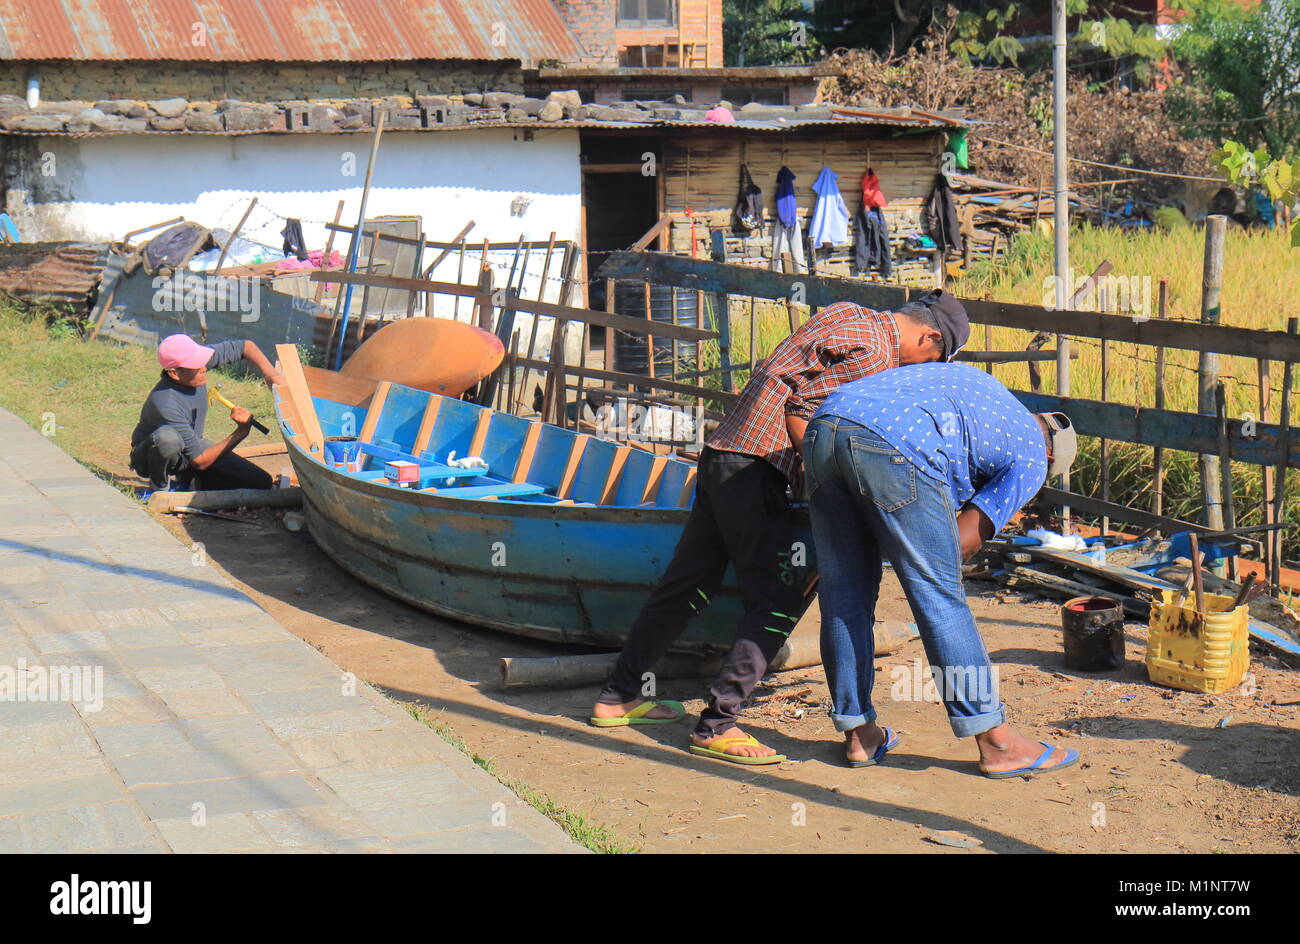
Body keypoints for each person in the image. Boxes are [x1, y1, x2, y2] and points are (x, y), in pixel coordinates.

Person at [589, 291, 971, 766]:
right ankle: (718, 724)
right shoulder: (875, 354)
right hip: (759, 468)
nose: (917, 369)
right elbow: (806, 409)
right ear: (928, 336)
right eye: (930, 357)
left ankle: (618, 696)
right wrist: (825, 483)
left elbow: (784, 376)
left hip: (724, 452)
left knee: (687, 584)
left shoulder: (850, 314)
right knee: (777, 601)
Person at [803, 361, 1080, 777]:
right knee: (940, 597)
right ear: (1050, 456)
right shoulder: (1031, 455)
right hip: (894, 445)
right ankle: (996, 741)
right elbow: (961, 541)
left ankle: (860, 734)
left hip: (823, 427)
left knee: (845, 593)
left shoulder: (988, 397)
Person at [129, 334, 283, 492]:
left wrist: (270, 373)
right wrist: (241, 432)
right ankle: (159, 489)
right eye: (197, 365)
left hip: (190, 447)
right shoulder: (165, 402)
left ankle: (190, 482)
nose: (204, 368)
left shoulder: (193, 368)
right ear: (174, 373)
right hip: (152, 456)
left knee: (260, 482)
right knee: (168, 438)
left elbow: (246, 346)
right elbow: (200, 461)